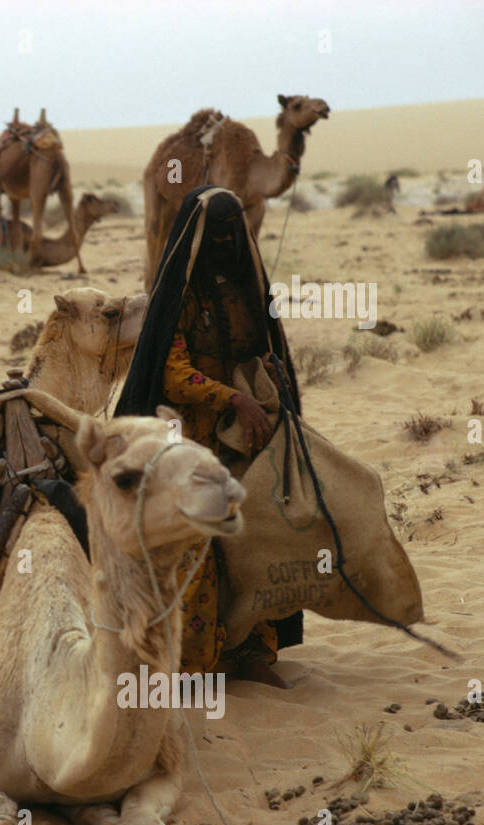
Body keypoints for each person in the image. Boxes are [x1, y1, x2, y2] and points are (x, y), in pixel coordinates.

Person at [116, 185, 302, 687]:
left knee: (255, 539)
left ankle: (252, 651)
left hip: (250, 436)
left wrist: (268, 388)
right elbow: (173, 373)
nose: (224, 243)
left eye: (230, 234)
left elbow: (267, 352)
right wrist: (231, 398)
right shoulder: (180, 296)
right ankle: (195, 662)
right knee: (200, 549)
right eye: (214, 235)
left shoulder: (248, 288)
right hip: (193, 437)